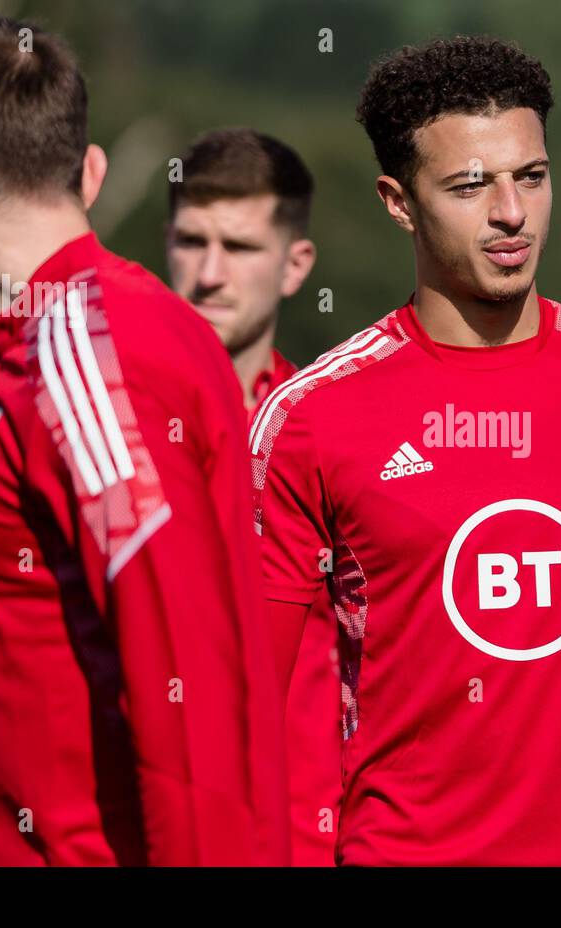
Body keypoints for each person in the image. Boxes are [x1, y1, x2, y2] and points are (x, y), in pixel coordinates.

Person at [0, 16, 288, 866]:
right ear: (89, 173)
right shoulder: (86, 337)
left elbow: (188, 697)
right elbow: (32, 730)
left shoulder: (84, 353)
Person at [250, 36, 561, 865]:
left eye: (531, 176)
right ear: (397, 201)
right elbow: (249, 712)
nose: (512, 214)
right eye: (469, 186)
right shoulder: (311, 416)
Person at [165, 128, 340, 866]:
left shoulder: (333, 435)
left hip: (307, 837)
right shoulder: (96, 421)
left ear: (296, 265)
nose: (208, 273)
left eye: (237, 248)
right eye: (189, 241)